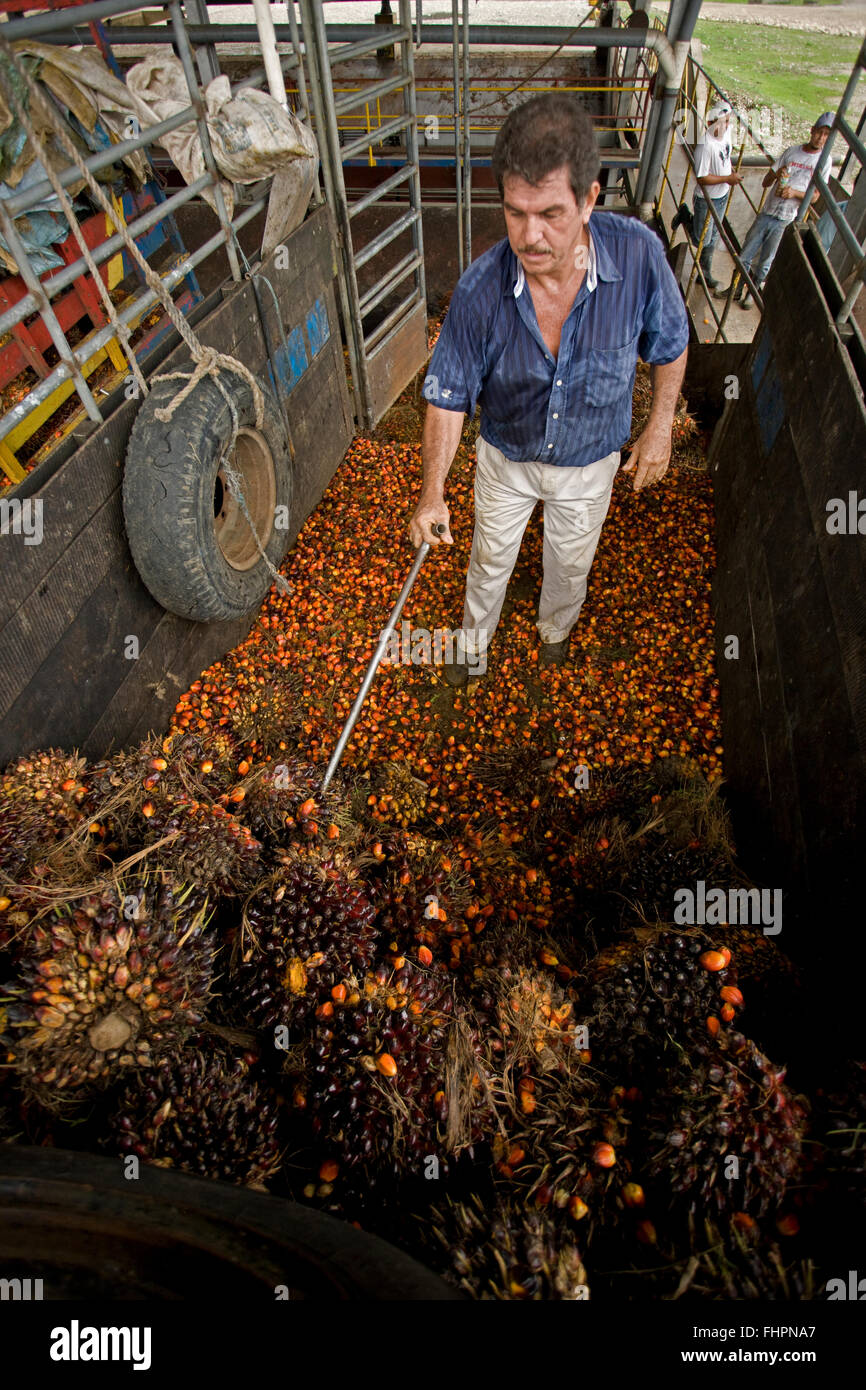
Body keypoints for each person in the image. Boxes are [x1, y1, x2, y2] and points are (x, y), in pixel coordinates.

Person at [408, 94, 689, 688]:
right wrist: (433, 491)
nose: (530, 236)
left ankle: (554, 636)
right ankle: (472, 648)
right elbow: (448, 394)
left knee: (570, 564)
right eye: (515, 212)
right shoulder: (480, 289)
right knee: (488, 561)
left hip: (589, 465)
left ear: (589, 199)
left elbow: (671, 344)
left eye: (551, 214)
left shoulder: (638, 258)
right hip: (506, 460)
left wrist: (660, 425)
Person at [732, 113, 833, 308]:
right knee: (745, 253)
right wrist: (778, 174)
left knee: (766, 261)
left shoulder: (824, 161)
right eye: (819, 133)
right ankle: (736, 287)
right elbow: (765, 181)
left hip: (787, 218)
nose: (821, 138)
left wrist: (794, 192)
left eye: (826, 135)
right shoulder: (792, 152)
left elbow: (815, 197)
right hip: (768, 211)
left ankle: (751, 294)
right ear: (812, 131)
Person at [671, 99, 742, 294]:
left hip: (721, 195)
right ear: (711, 123)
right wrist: (728, 177)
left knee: (712, 238)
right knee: (699, 239)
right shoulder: (705, 146)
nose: (726, 125)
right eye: (722, 121)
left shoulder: (725, 135)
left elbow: (725, 156)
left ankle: (704, 272)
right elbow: (701, 179)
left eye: (727, 121)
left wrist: (728, 171)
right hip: (706, 198)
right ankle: (685, 215)